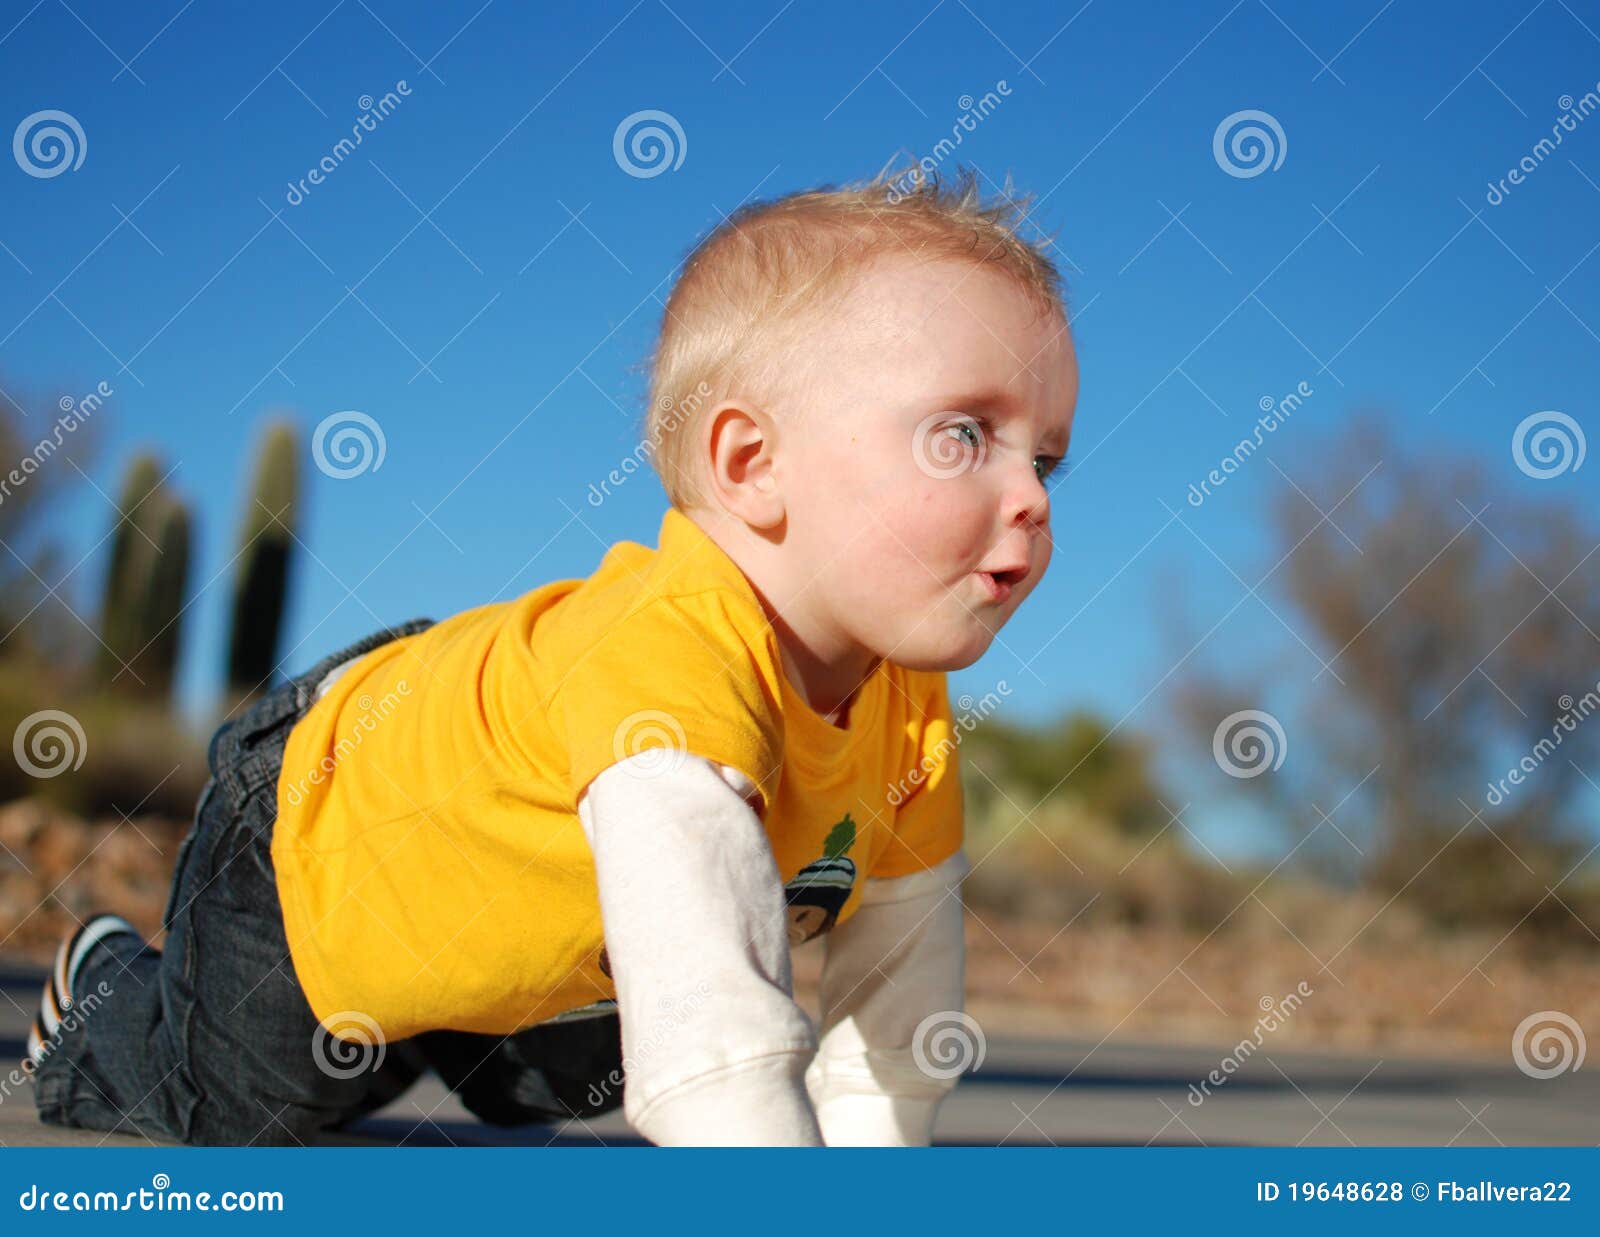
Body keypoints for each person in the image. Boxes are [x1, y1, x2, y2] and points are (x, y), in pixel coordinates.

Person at [27, 161, 1078, 1146]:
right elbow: (716, 1044)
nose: (1029, 496)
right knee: (238, 1113)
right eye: (961, 436)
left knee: (578, 1070)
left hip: (508, 889)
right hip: (330, 807)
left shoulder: (908, 704)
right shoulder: (668, 653)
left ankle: (416, 1032)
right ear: (752, 464)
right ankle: (111, 994)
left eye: (1046, 457)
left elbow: (898, 968)